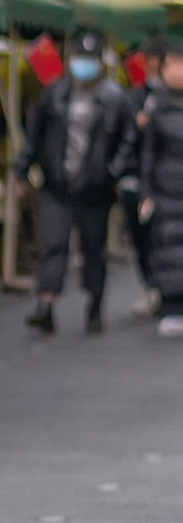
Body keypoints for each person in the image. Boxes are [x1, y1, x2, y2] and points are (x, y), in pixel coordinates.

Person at [16, 30, 130, 334]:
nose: (83, 65)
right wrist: (22, 171)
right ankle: (46, 303)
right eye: (80, 58)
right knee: (53, 243)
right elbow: (34, 137)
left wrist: (113, 171)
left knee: (94, 248)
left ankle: (94, 304)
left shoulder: (114, 98)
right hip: (57, 185)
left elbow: (128, 140)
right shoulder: (54, 94)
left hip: (96, 189)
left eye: (89, 59)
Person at [116, 35, 167, 316]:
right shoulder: (134, 98)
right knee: (141, 238)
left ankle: (167, 289)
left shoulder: (173, 98)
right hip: (136, 179)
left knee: (166, 237)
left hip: (167, 182)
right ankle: (153, 287)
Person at [139, 35, 183, 338]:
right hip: (165, 189)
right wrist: (147, 193)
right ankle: (171, 306)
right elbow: (148, 154)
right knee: (167, 247)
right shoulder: (157, 106)